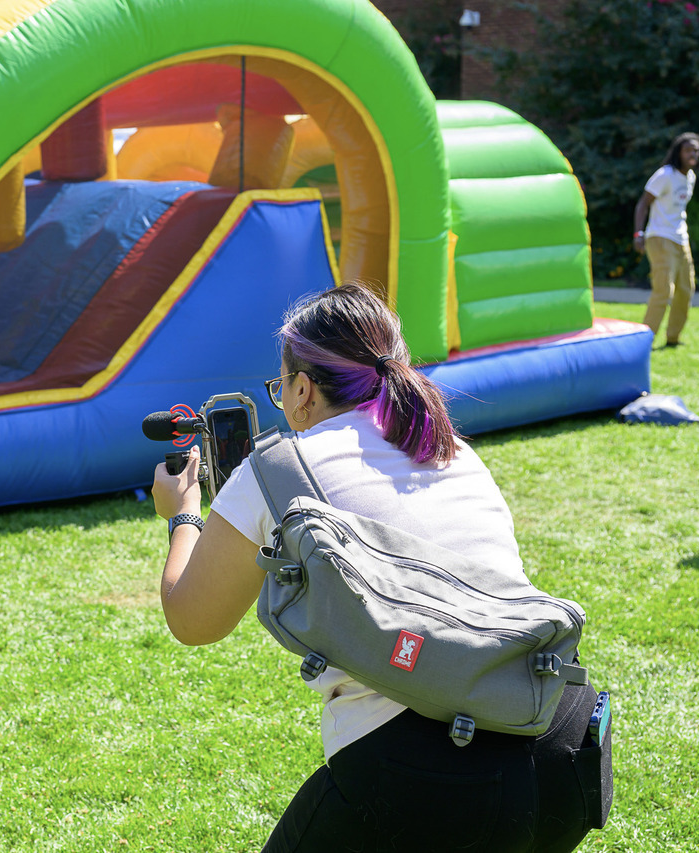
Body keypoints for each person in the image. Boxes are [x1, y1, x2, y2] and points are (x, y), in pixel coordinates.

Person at [151, 283, 601, 852]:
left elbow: (194, 620)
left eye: (280, 387)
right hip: (560, 735)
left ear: (303, 390)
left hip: (425, 771)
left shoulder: (277, 467)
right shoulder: (450, 447)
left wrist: (183, 514)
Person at [632, 131, 699, 347]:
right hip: (659, 237)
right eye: (688, 150)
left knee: (686, 289)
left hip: (681, 239)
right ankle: (644, 341)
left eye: (696, 150)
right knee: (663, 290)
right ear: (678, 152)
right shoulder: (664, 175)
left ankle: (673, 338)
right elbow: (643, 203)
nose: (693, 154)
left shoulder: (690, 177)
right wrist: (638, 233)